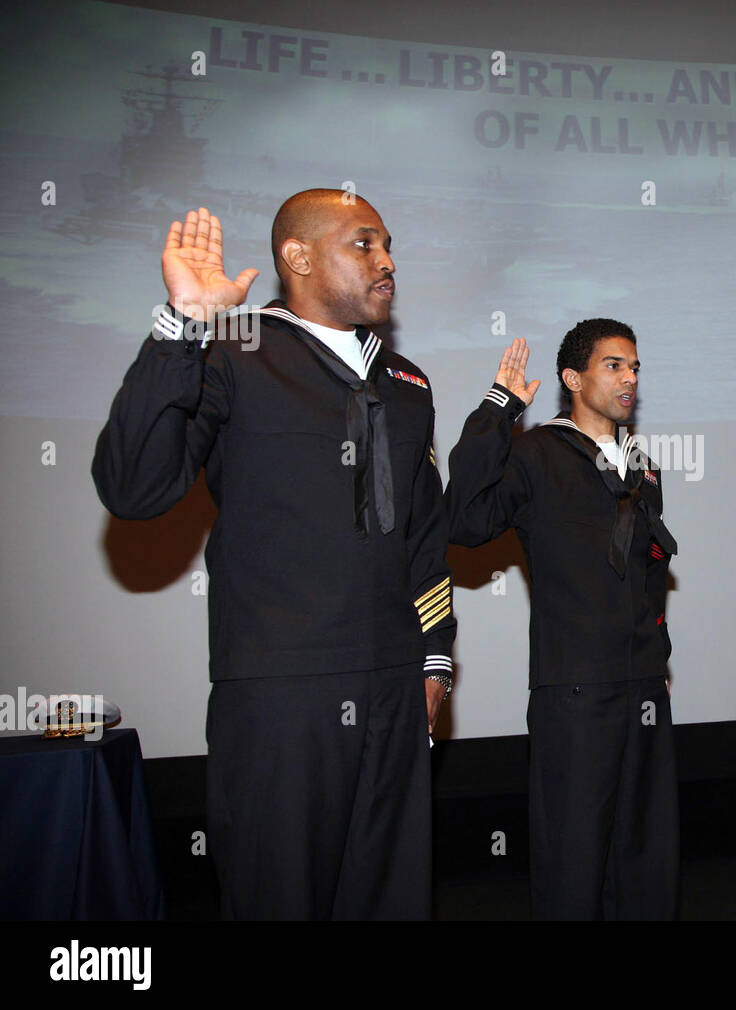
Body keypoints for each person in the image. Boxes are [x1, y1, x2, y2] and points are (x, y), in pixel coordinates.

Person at [92, 192, 455, 919]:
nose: (386, 263)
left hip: (394, 688)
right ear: (298, 256)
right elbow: (134, 486)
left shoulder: (407, 383)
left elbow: (423, 538)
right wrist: (183, 327)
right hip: (281, 693)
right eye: (363, 245)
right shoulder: (232, 352)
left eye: (388, 246)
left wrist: (435, 658)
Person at [446, 323, 679, 919]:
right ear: (573, 380)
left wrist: (659, 652)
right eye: (612, 366)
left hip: (644, 689)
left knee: (645, 853)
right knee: (573, 858)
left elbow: (652, 572)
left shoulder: (644, 468)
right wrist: (498, 411)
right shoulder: (534, 454)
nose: (629, 378)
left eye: (634, 367)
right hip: (574, 692)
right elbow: (465, 521)